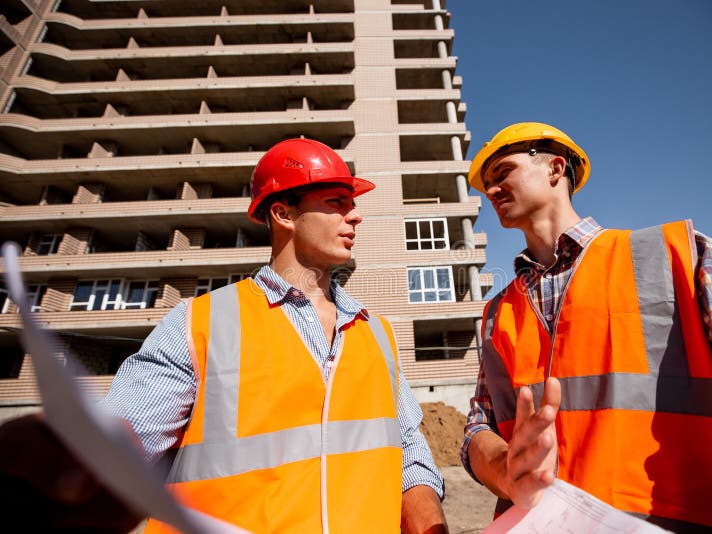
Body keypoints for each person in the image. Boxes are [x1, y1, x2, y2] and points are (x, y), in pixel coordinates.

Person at [1, 138, 448, 533]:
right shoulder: (201, 322)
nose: (355, 216)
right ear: (282, 213)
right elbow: (123, 435)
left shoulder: (377, 331)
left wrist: (429, 523)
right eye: (336, 202)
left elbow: (408, 451)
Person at [461, 122, 712, 532]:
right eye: (486, 186)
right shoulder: (498, 311)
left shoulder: (670, 253)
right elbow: (480, 426)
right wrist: (504, 470)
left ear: (554, 168)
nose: (492, 191)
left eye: (503, 173)